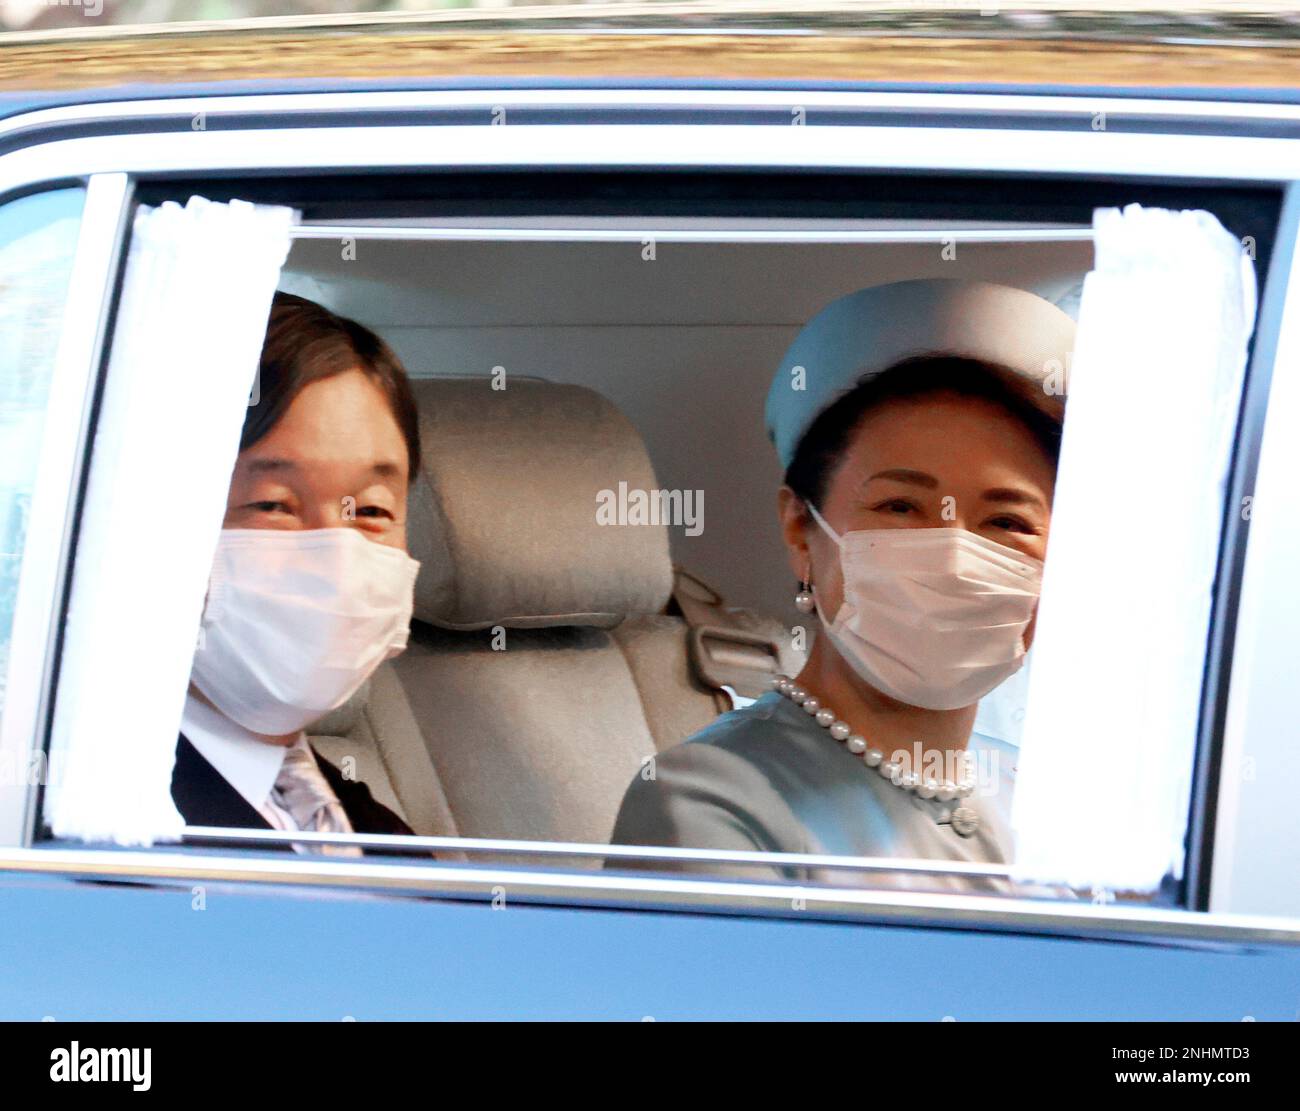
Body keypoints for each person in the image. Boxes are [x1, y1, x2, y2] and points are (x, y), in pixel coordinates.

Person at [609, 278, 1077, 894]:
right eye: (900, 507)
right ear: (802, 529)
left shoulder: (1044, 806)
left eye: (1008, 522)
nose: (957, 560)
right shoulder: (707, 805)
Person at [171, 292, 420, 853]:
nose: (336, 557)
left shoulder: (379, 832)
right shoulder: (84, 822)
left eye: (374, 511)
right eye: (273, 505)